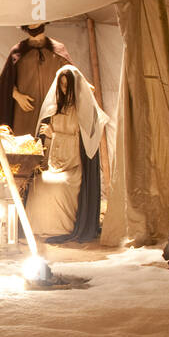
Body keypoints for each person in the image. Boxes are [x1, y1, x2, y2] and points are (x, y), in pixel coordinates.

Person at [26, 65, 108, 242]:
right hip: (55, 163)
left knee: (60, 186)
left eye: (67, 86)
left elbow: (82, 144)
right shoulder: (54, 108)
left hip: (74, 166)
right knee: (38, 183)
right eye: (61, 85)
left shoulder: (84, 111)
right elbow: (45, 141)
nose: (64, 89)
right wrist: (48, 136)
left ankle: (62, 228)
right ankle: (38, 229)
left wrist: (53, 134)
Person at [0, 23, 73, 137]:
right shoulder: (18, 51)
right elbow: (5, 82)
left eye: (37, 21)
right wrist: (16, 95)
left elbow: (72, 76)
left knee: (48, 144)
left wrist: (82, 86)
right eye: (30, 23)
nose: (34, 25)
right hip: (24, 113)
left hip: (50, 110)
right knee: (25, 146)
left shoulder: (58, 50)